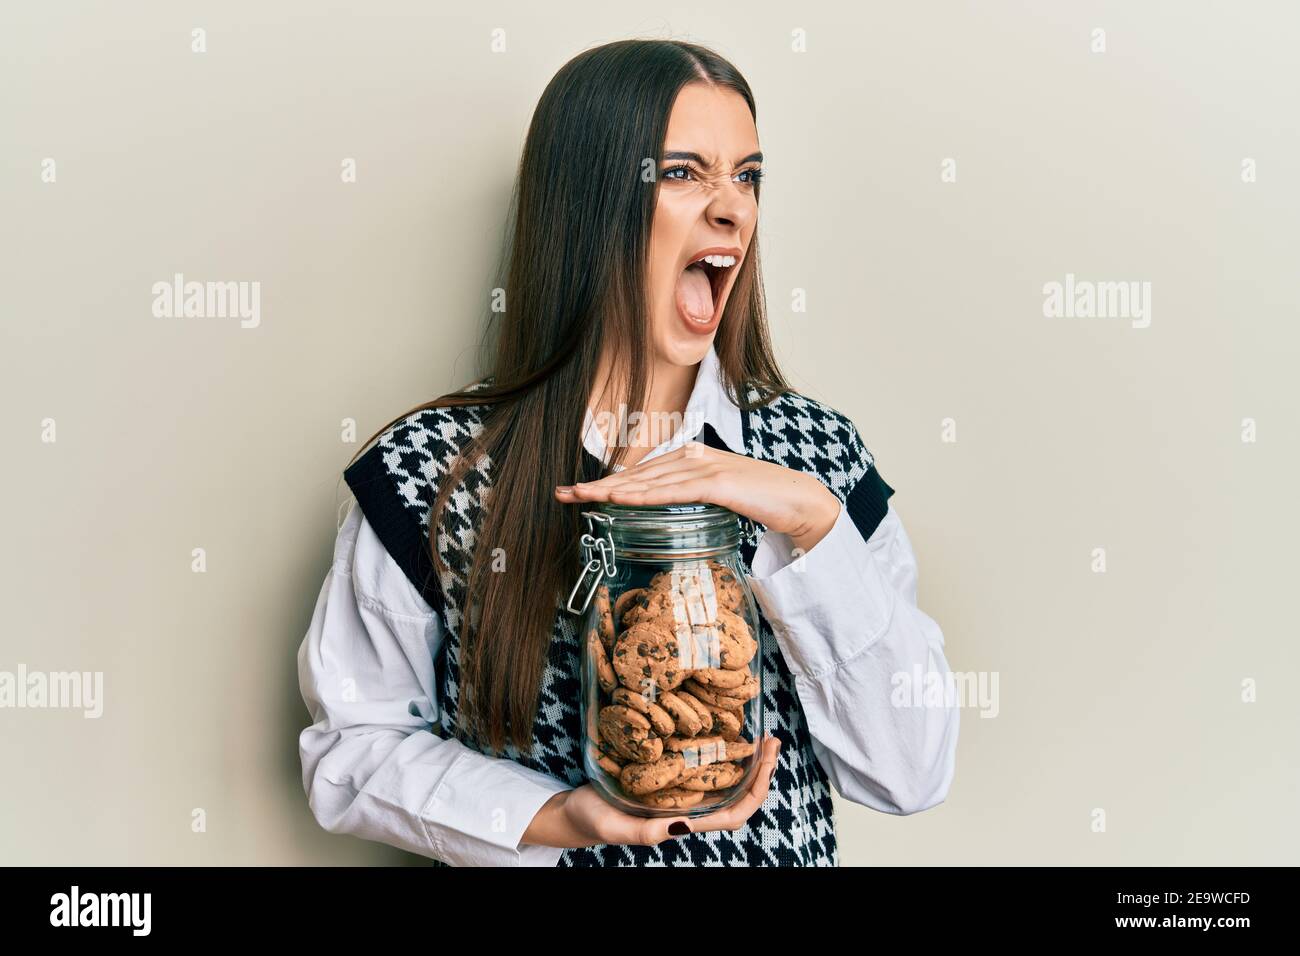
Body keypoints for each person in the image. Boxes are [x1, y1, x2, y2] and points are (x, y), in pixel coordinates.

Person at [296, 38, 959, 867]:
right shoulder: (431, 471)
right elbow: (350, 752)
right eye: (683, 173)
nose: (732, 210)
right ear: (590, 204)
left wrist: (813, 520)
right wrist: (557, 817)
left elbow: (912, 772)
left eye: (747, 176)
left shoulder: (819, 455)